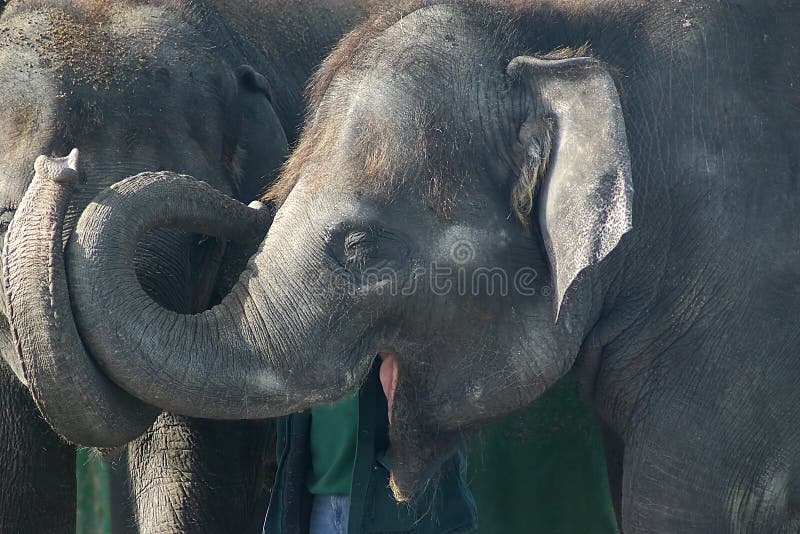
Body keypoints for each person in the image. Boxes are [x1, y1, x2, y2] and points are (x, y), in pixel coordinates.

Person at [264, 357, 477, 534]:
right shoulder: (303, 338)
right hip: (321, 506)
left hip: (399, 510)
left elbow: (452, 405)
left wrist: (399, 468)